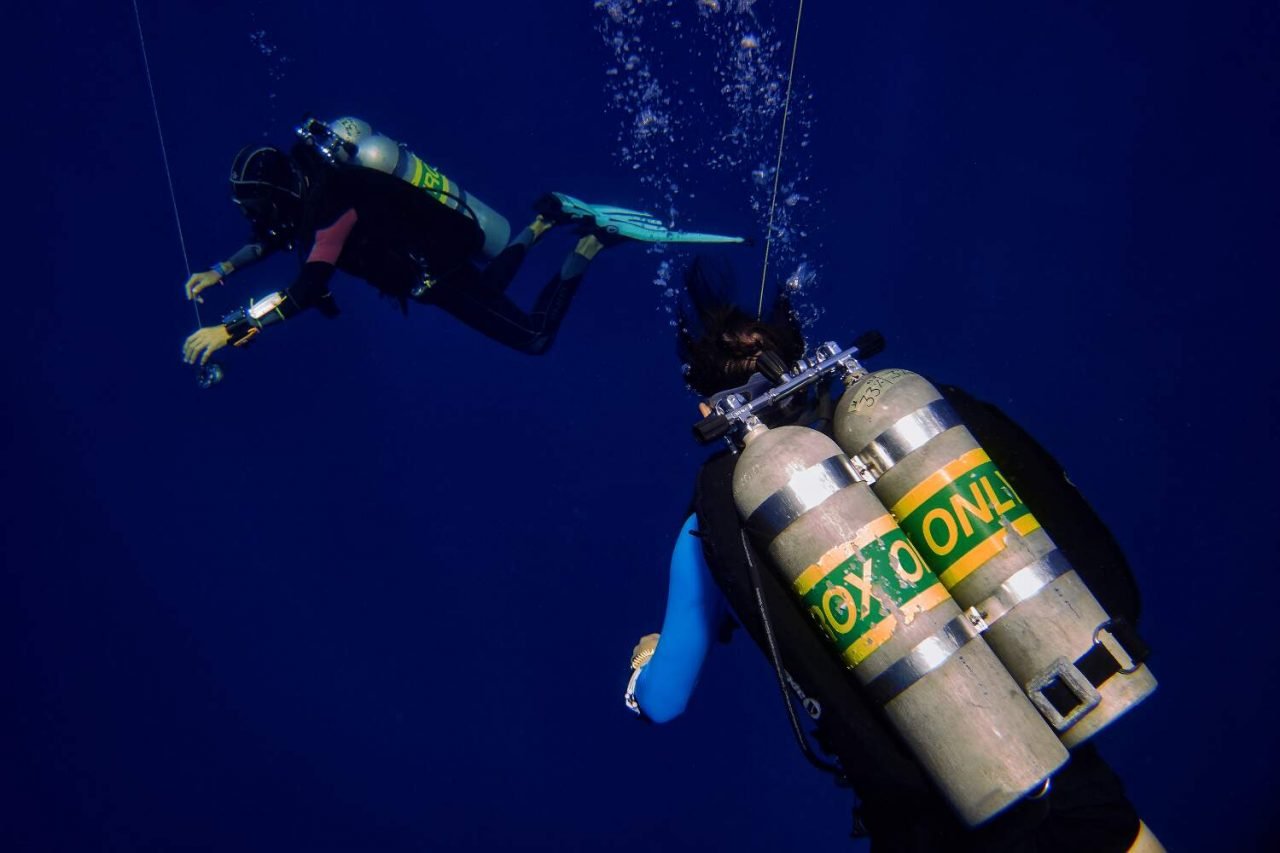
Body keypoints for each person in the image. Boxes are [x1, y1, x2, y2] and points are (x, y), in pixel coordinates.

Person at [623, 257, 1163, 852]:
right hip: (1067, 771)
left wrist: (644, 666)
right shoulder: (920, 433)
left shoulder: (717, 523)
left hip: (928, 821)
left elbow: (665, 702)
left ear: (708, 406)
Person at [181, 117, 744, 367]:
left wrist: (230, 332)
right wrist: (221, 270)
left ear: (277, 192)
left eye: (257, 207)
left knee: (532, 339)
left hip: (438, 271)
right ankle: (546, 222)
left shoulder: (330, 209)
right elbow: (277, 239)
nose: (261, 220)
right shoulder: (315, 194)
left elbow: (303, 291)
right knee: (494, 278)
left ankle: (593, 241)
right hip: (446, 248)